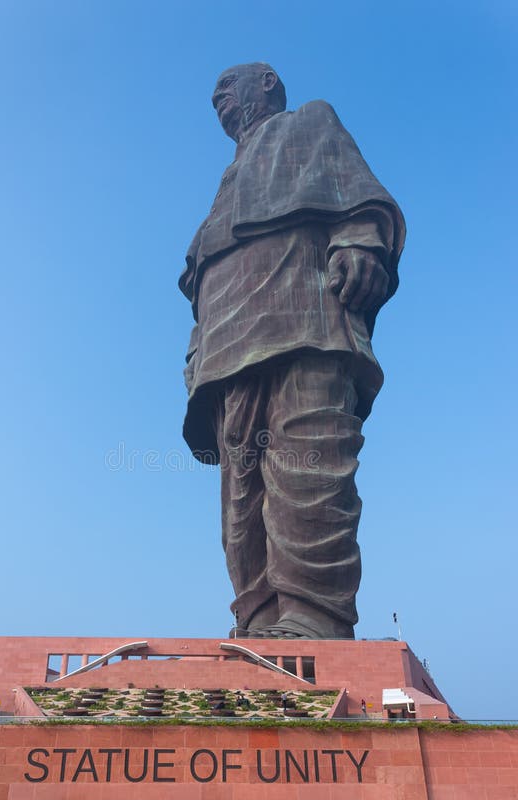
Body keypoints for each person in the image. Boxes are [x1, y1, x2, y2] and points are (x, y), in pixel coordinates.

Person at [179, 63, 405, 640]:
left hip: (303, 316)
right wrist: (196, 349)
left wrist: (360, 240)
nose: (219, 99)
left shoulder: (309, 122)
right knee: (241, 493)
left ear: (268, 82)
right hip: (228, 339)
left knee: (309, 461)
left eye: (228, 86)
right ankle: (257, 622)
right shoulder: (223, 184)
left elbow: (355, 194)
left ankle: (312, 615)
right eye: (213, 97)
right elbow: (201, 276)